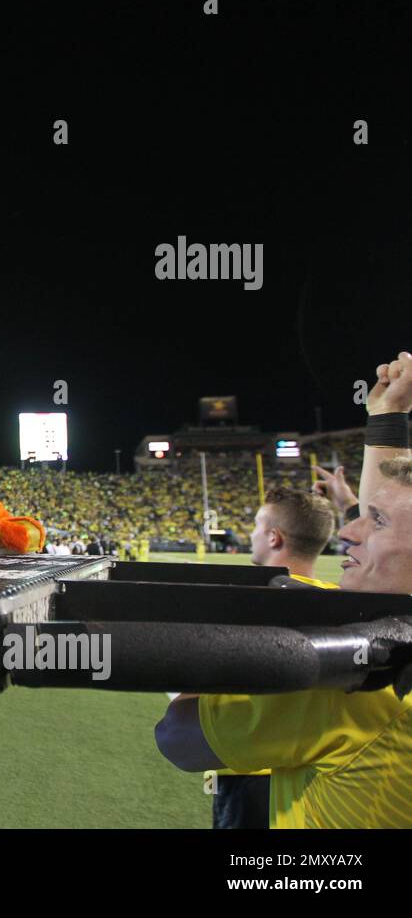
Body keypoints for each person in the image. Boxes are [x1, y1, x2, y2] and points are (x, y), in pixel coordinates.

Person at [155, 350, 412, 827]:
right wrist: (388, 421)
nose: (349, 532)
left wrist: (197, 654)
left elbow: (178, 738)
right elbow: (401, 519)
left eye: (373, 522)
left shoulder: (360, 677)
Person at [208, 488, 338, 829]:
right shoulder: (341, 603)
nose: (250, 534)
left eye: (255, 525)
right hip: (319, 773)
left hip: (249, 771)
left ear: (273, 537)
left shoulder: (248, 607)